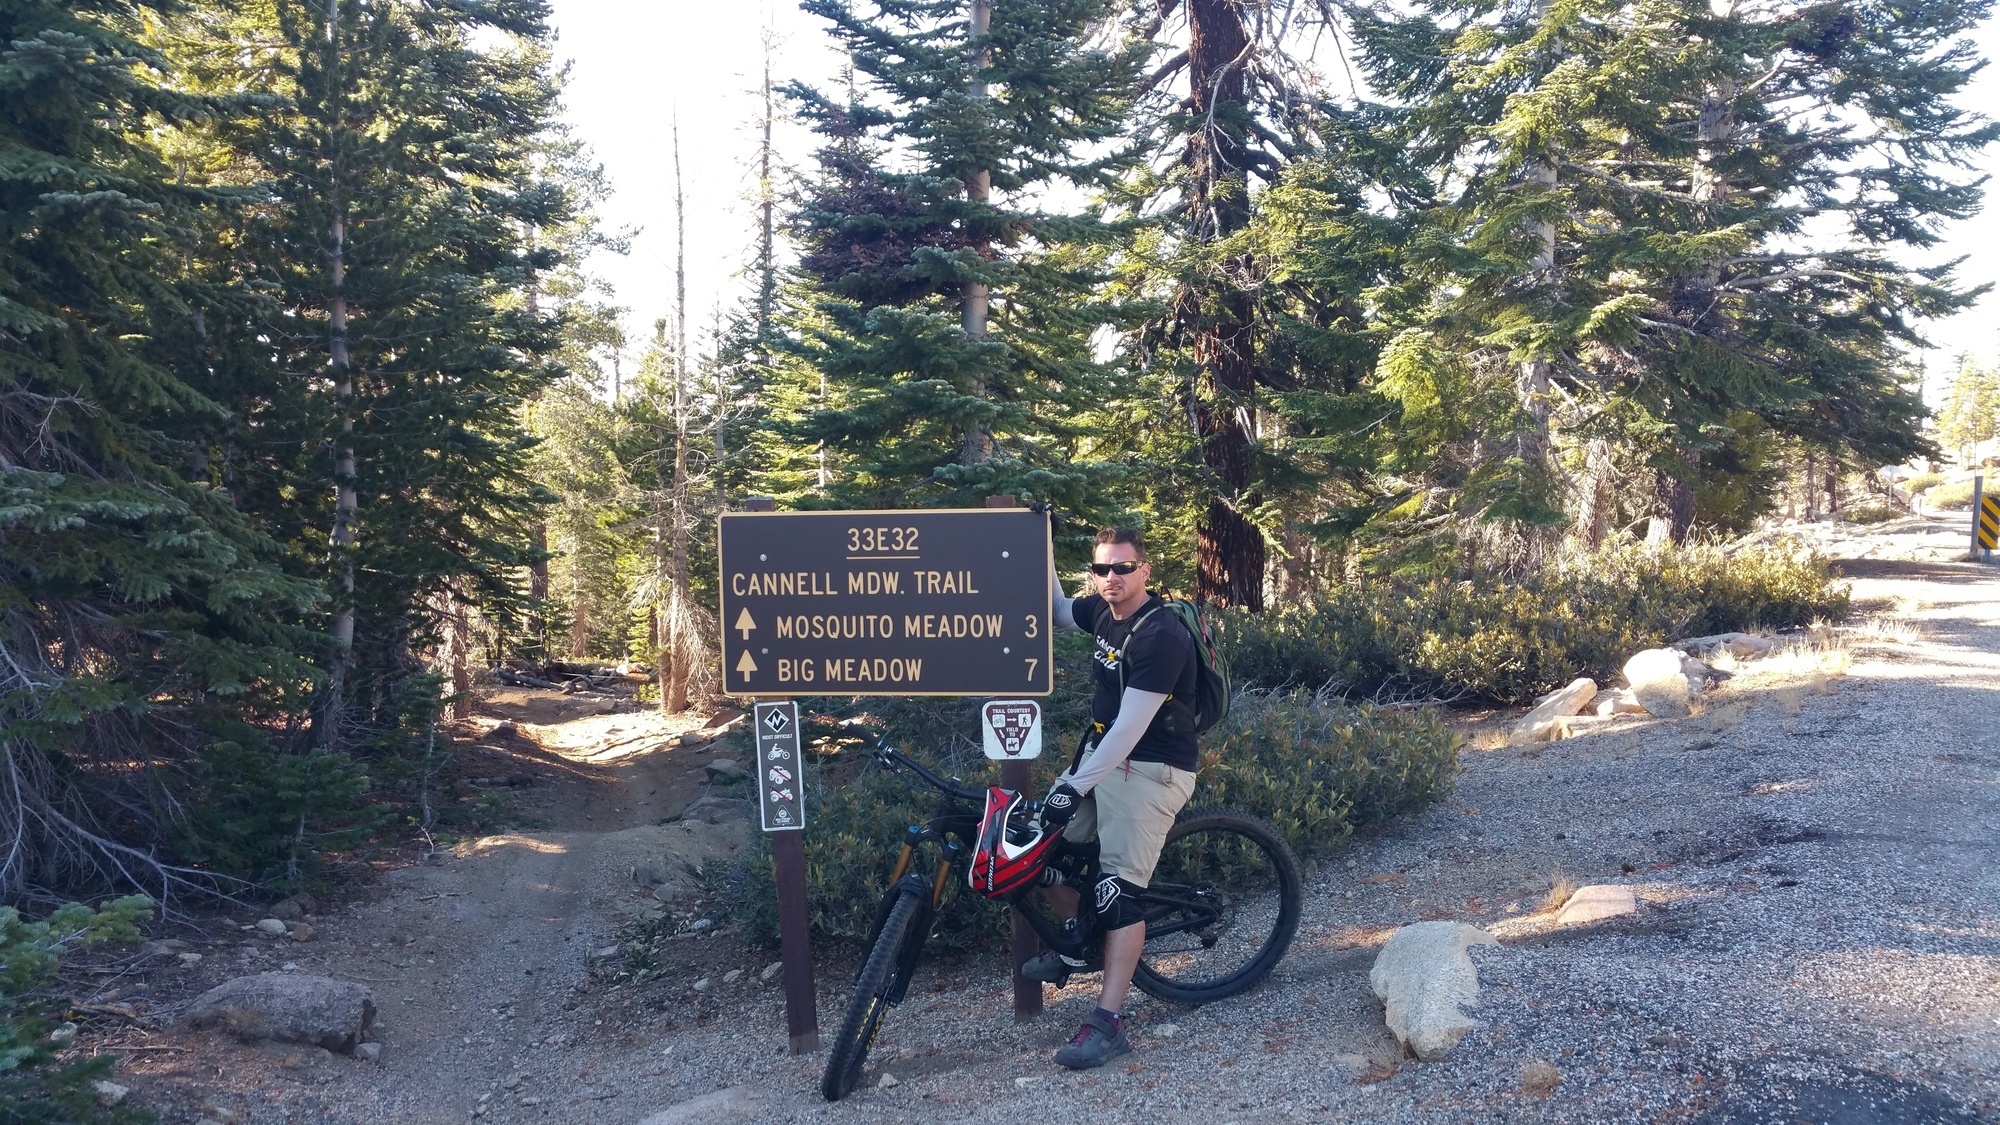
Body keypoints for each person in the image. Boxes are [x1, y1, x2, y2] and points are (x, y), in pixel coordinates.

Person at [1025, 526, 1200, 1070]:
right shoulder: (1102, 610)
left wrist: (1073, 788)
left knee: (1117, 890)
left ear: (1145, 571)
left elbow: (1130, 727)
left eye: (1122, 568)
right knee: (1037, 846)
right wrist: (1039, 537)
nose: (1111, 578)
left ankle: (1107, 1023)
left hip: (1152, 767)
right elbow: (1055, 608)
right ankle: (1079, 944)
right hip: (1105, 757)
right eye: (1101, 569)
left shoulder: (1161, 635)